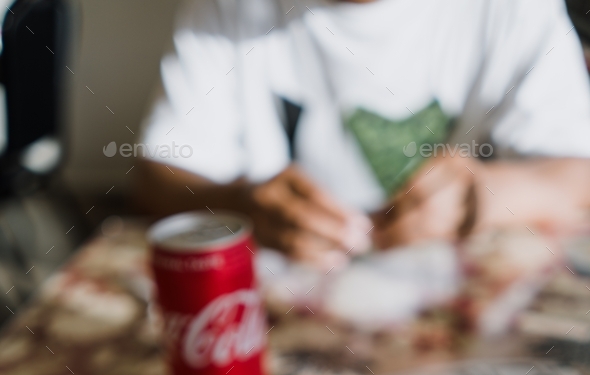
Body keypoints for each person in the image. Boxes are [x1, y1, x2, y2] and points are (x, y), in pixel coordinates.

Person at [137, 0, 590, 269]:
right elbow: (157, 178)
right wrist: (243, 205)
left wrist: (481, 197)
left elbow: (579, 176)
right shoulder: (230, 9)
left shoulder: (511, 9)